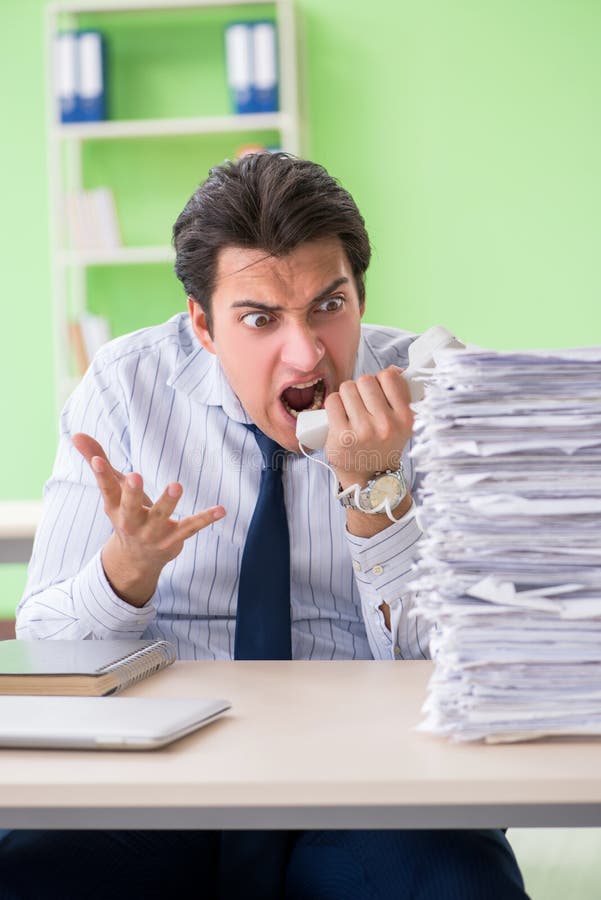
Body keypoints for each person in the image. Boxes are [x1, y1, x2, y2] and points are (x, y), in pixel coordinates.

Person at [1, 153, 529, 899]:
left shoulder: (430, 391)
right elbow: (44, 650)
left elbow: (463, 658)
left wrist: (373, 487)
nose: (307, 351)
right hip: (158, 778)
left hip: (373, 781)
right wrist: (125, 571)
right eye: (259, 318)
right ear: (202, 324)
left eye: (328, 305)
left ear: (359, 295)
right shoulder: (124, 388)